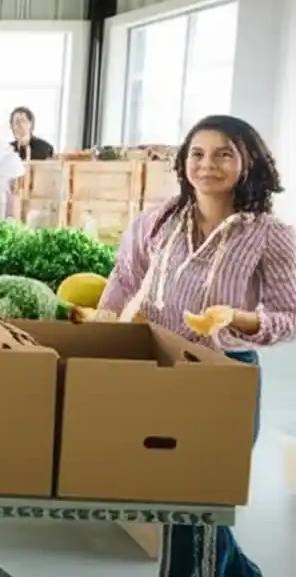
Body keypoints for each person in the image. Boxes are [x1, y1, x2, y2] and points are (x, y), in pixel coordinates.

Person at [97, 114, 296, 577]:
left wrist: (239, 318)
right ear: (184, 162)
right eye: (198, 154)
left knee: (201, 498)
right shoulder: (158, 220)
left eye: (225, 153)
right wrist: (102, 338)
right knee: (172, 495)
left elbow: (291, 316)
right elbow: (124, 281)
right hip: (159, 369)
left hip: (224, 375)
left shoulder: (269, 234)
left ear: (249, 163)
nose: (209, 165)